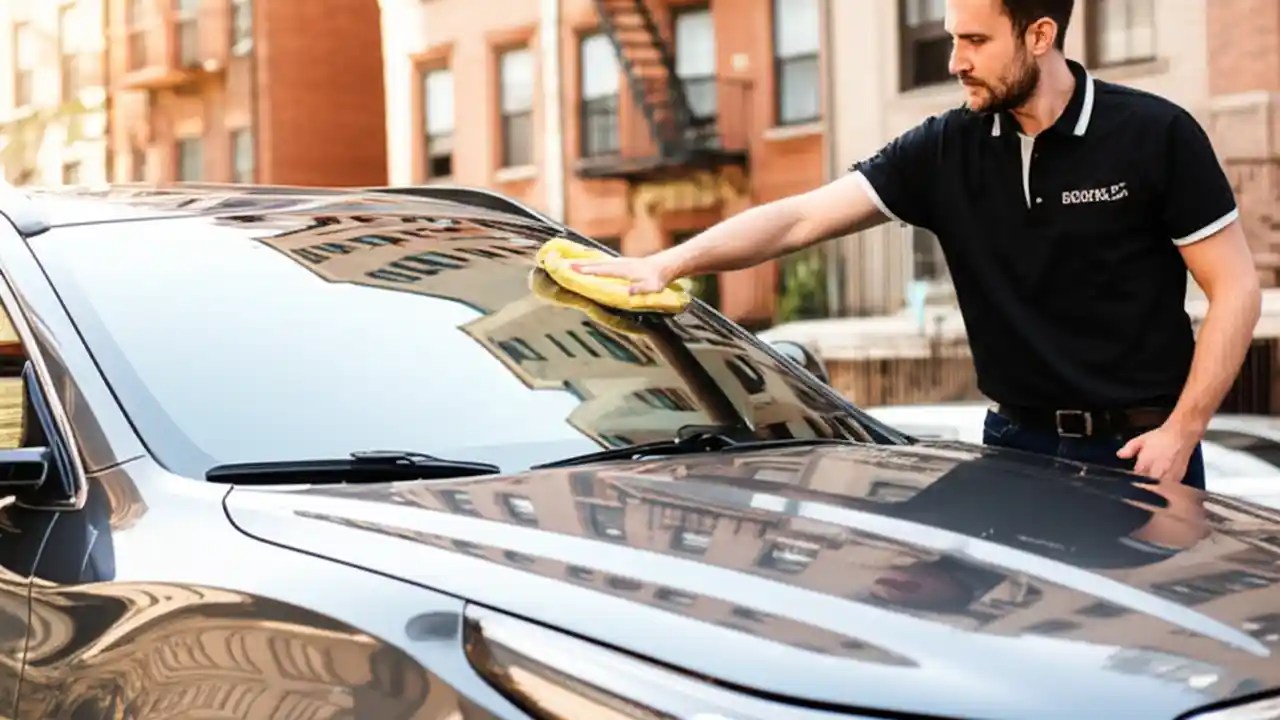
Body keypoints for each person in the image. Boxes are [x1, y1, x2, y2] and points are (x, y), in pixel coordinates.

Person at [574, 0, 1262, 490]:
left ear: (1040, 34)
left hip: (1139, 451)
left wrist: (1183, 433)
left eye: (974, 41)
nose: (955, 60)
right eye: (949, 37)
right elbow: (800, 219)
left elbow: (1236, 290)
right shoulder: (944, 147)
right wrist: (669, 260)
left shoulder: (1155, 135)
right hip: (1014, 447)